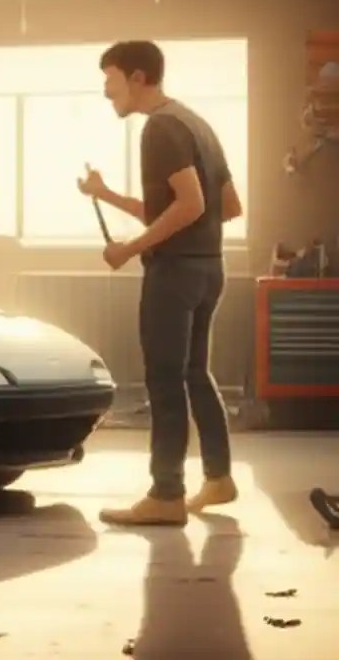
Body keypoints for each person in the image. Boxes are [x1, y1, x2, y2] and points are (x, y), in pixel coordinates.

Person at [78, 40, 243, 526]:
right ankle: (218, 479)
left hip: (174, 273)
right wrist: (106, 194)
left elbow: (189, 206)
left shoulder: (159, 128)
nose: (107, 93)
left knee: (165, 379)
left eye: (110, 80)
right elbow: (225, 206)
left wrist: (129, 248)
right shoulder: (197, 124)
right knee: (195, 373)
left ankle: (167, 494)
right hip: (210, 268)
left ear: (137, 78)